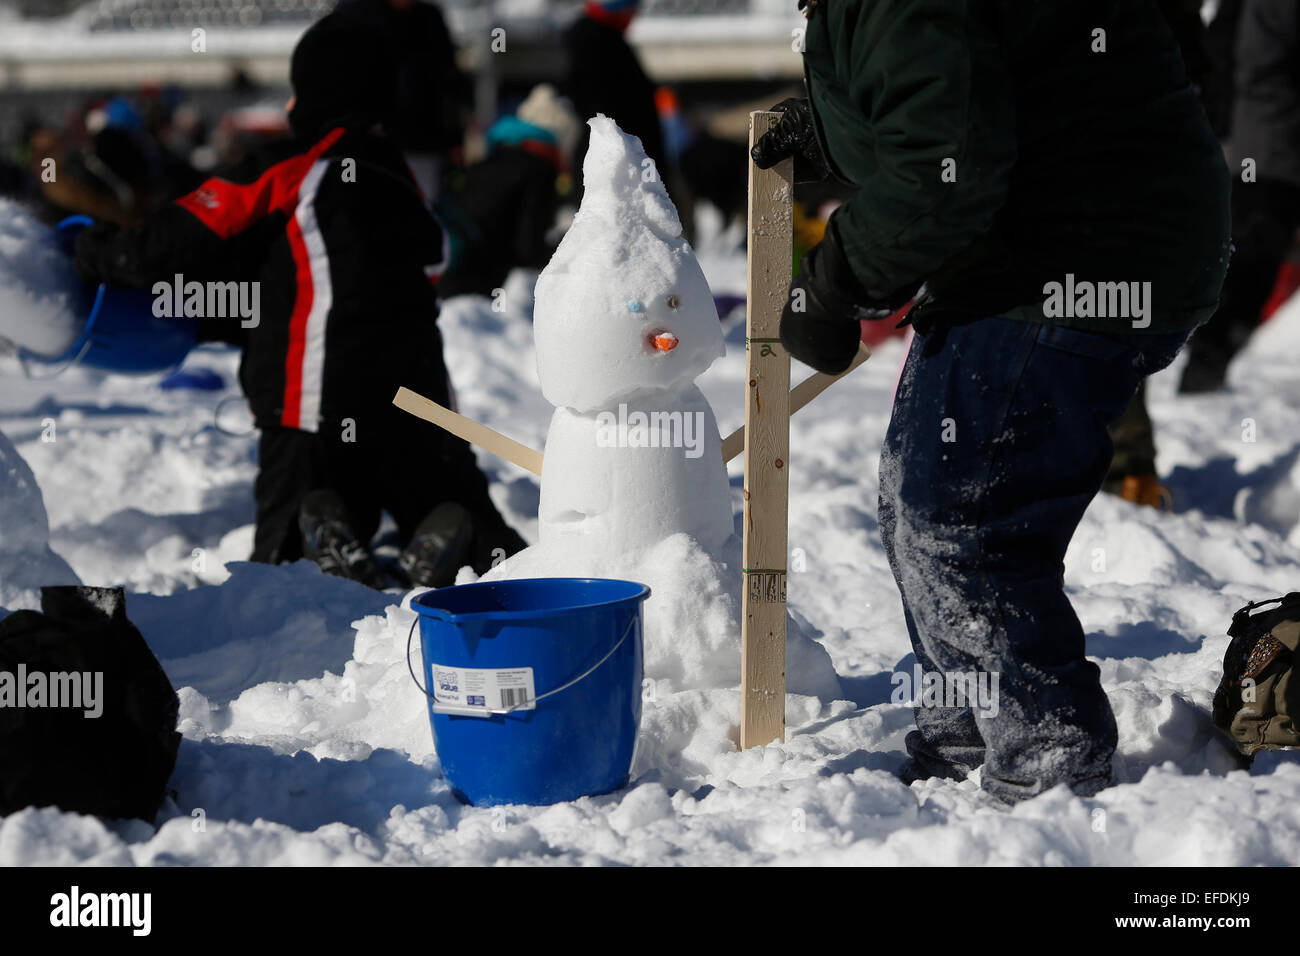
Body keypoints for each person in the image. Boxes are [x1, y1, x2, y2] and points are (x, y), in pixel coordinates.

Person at [754, 0, 1230, 803]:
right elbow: (979, 84)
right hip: (1072, 241)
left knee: (961, 524)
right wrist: (841, 125)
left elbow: (948, 161)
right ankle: (967, 728)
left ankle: (1048, 755)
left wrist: (835, 286)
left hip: (1075, 258)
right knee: (920, 506)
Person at [73, 13, 526, 590]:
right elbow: (435, 261)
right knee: (467, 527)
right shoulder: (401, 182)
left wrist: (94, 251)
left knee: (284, 560)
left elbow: (169, 240)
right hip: (416, 398)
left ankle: (318, 553)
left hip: (315, 398)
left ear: (311, 91)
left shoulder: (290, 167)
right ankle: (458, 538)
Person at [1179, 0, 1300, 393]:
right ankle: (1205, 371)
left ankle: (1207, 364)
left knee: (1250, 256)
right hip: (1269, 141)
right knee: (1254, 259)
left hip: (1258, 138)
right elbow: (1262, 60)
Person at [436, 85, 575, 300]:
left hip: (447, 263)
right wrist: (566, 249)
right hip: (474, 278)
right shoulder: (540, 170)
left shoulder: (499, 152)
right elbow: (528, 246)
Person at [331, 0, 473, 198]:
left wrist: (455, 139)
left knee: (421, 210)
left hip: (422, 143)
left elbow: (447, 82)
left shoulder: (429, 19)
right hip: (366, 145)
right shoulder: (353, 14)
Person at [561, 0, 664, 192]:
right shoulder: (598, 41)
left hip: (622, 153)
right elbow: (601, 106)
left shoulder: (604, 39)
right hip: (618, 157)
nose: (633, 17)